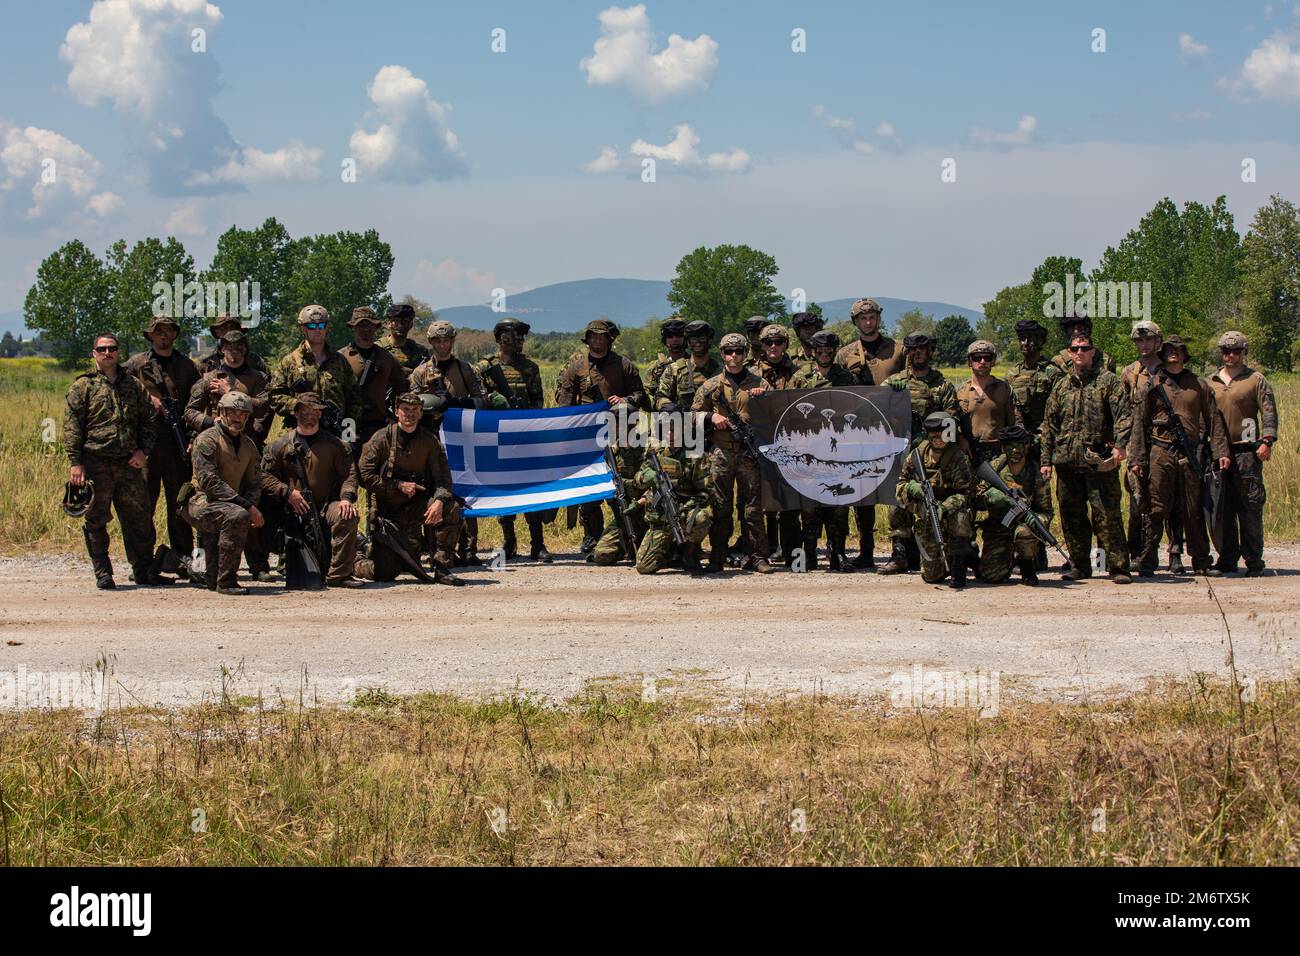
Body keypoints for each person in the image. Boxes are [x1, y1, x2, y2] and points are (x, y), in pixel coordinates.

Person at [64, 332, 162, 589]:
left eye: (112, 348)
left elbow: (149, 421)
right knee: (96, 520)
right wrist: (76, 463)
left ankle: (143, 570)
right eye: (102, 349)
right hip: (96, 463)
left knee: (140, 519)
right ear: (94, 353)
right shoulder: (82, 387)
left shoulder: (133, 384)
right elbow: (72, 427)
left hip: (128, 463)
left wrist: (144, 451)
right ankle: (103, 572)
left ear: (118, 352)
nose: (108, 353)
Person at [1128, 335, 1229, 577]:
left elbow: (1214, 419)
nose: (1174, 353)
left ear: (1185, 354)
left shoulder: (1198, 384)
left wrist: (1220, 452)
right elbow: (1140, 424)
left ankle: (1201, 561)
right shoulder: (1153, 384)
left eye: (1179, 350)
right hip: (1160, 451)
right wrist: (1137, 459)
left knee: (1192, 508)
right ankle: (1148, 560)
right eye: (1170, 350)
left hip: (1189, 453)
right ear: (1163, 354)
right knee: (1155, 508)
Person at [1040, 331, 1132, 584]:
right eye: (1075, 349)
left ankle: (1118, 567)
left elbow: (1124, 415)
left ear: (1093, 352)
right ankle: (1079, 565)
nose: (1079, 352)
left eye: (1084, 348)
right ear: (1069, 354)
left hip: (1099, 461)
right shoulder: (1061, 386)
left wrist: (1121, 445)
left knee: (1108, 515)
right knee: (1072, 516)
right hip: (1067, 462)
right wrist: (1046, 460)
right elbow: (1049, 425)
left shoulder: (1108, 382)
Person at [185, 330, 274, 580]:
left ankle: (259, 566)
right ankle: (201, 569)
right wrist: (211, 423)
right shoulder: (209, 378)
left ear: (245, 350)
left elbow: (265, 406)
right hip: (215, 447)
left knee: (250, 505)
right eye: (229, 348)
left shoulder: (257, 378)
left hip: (247, 449)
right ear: (221, 349)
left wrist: (231, 390)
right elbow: (189, 412)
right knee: (208, 514)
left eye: (239, 348)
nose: (234, 353)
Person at [410, 319, 499, 565]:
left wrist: (456, 403)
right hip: (431, 440)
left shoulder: (465, 369)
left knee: (464, 491)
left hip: (462, 440)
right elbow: (409, 406)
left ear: (452, 341)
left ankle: (469, 550)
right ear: (431, 342)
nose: (442, 344)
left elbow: (482, 401)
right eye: (437, 340)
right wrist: (432, 405)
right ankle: (436, 549)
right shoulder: (420, 372)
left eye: (446, 340)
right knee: (434, 492)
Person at [554, 318, 647, 554]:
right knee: (590, 489)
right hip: (587, 437)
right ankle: (592, 536)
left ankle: (626, 536)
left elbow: (642, 396)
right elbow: (565, 405)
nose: (597, 340)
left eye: (602, 336)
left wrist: (625, 400)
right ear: (588, 339)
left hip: (621, 437)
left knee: (622, 489)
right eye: (593, 336)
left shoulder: (623, 364)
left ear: (609, 339)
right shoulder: (576, 368)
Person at [357, 392, 464, 585]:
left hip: (417, 507)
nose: (410, 414)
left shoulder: (429, 441)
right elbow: (364, 476)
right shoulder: (381, 438)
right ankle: (356, 558)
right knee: (385, 573)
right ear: (397, 412)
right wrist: (397, 485)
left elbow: (443, 478)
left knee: (451, 508)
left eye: (415, 410)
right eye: (405, 409)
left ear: (421, 413)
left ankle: (442, 567)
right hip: (387, 514)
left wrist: (439, 500)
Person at [260, 394, 365, 588]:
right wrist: (287, 492)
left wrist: (346, 498)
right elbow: (263, 477)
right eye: (306, 411)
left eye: (316, 411)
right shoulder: (279, 446)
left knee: (347, 515)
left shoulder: (337, 445)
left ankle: (339, 575)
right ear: (296, 412)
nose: (311, 415)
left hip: (327, 505)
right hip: (294, 510)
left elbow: (349, 476)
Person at [123, 315, 199, 574]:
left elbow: (195, 405)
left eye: (168, 331)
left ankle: (183, 558)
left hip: (177, 446)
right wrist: (149, 400)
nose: (164, 336)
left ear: (174, 335)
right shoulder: (137, 364)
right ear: (151, 335)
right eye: (159, 331)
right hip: (146, 446)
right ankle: (141, 561)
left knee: (180, 503)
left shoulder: (187, 366)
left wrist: (192, 440)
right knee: (143, 504)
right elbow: (119, 391)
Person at [879, 333, 959, 574]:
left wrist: (929, 435)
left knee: (934, 501)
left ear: (931, 352)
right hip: (903, 452)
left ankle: (941, 552)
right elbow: (874, 409)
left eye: (922, 349)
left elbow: (952, 421)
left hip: (933, 455)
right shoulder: (895, 381)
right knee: (899, 502)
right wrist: (889, 394)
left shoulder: (941, 385)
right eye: (912, 349)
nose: (917, 353)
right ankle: (900, 554)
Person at [476, 317, 554, 562]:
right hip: (498, 436)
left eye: (521, 337)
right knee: (505, 489)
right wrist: (493, 400)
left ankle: (537, 544)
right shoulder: (484, 367)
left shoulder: (530, 368)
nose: (519, 341)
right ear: (501, 338)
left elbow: (538, 402)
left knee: (532, 490)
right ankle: (509, 541)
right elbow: (477, 399)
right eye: (514, 336)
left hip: (526, 436)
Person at [692, 332, 771, 573]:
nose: (733, 356)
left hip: (749, 452)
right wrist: (711, 416)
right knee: (720, 507)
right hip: (721, 452)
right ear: (722, 354)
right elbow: (691, 414)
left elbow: (775, 415)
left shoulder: (760, 383)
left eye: (738, 351)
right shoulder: (711, 385)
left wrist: (764, 399)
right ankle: (718, 557)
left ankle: (758, 557)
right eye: (728, 351)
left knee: (752, 509)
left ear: (746, 353)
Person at [836, 297, 905, 569]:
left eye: (872, 317)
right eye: (863, 318)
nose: (868, 321)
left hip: (892, 429)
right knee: (861, 490)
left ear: (879, 318)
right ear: (855, 322)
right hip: (859, 432)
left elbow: (910, 381)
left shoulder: (897, 351)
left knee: (896, 492)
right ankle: (866, 550)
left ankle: (901, 550)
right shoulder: (845, 354)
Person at [1208, 331, 1278, 576]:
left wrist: (1267, 440)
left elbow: (1268, 412)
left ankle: (1253, 560)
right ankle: (1227, 558)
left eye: (1237, 351)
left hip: (1247, 451)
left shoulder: (1256, 379)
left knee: (1249, 506)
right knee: (1222, 508)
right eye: (1227, 351)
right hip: (1219, 453)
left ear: (1244, 352)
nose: (1231, 355)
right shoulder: (1212, 381)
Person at [790, 330, 859, 571]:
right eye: (820, 351)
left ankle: (838, 553)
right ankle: (809, 553)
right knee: (809, 506)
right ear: (813, 351)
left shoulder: (846, 377)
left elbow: (857, 410)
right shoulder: (801, 377)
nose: (825, 355)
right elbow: (789, 411)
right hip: (809, 449)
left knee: (839, 504)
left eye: (829, 351)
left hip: (838, 449)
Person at [185, 391, 264, 595]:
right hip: (201, 502)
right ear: (221, 412)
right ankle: (227, 581)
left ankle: (168, 559)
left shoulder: (249, 446)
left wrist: (251, 504)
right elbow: (209, 481)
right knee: (238, 515)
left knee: (208, 577)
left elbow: (255, 482)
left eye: (243, 413)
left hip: (229, 505)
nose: (237, 417)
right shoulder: (207, 439)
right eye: (232, 412)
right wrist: (247, 507)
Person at [1120, 320, 1184, 572]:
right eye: (1139, 340)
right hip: (1138, 441)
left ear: (1158, 341)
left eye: (1148, 339)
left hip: (1165, 440)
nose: (1144, 344)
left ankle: (1175, 551)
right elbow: (1122, 408)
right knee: (1138, 498)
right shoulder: (1129, 373)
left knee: (1171, 498)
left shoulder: (1170, 370)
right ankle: (1141, 552)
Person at [894, 412, 974, 588]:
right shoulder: (917, 454)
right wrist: (913, 488)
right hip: (926, 512)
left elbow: (964, 493)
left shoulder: (957, 457)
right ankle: (946, 559)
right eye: (933, 434)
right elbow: (900, 485)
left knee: (960, 519)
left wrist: (944, 508)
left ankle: (959, 566)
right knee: (931, 576)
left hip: (950, 512)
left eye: (942, 434)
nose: (938, 439)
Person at [972, 425, 1052, 584]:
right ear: (1003, 447)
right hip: (998, 527)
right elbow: (977, 497)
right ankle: (983, 556)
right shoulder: (995, 468)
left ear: (1027, 446)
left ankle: (1028, 568)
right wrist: (996, 496)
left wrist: (1038, 521)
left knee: (1025, 532)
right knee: (991, 576)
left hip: (1023, 526)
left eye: (1019, 445)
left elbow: (1046, 511)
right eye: (1010, 446)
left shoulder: (1035, 473)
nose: (1015, 450)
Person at [630, 428, 714, 576]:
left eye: (675, 430)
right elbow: (638, 479)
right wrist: (644, 477)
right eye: (668, 431)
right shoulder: (656, 452)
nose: (671, 434)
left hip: (685, 512)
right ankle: (669, 552)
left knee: (701, 518)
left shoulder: (696, 454)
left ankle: (690, 552)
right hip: (661, 516)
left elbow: (708, 492)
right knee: (644, 567)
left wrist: (687, 507)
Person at [751, 323, 801, 564]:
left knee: (790, 499)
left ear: (786, 344)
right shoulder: (750, 373)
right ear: (761, 345)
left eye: (778, 342)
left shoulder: (798, 372)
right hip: (761, 440)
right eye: (768, 342)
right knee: (764, 498)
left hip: (792, 441)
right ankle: (768, 547)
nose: (773, 347)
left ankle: (793, 552)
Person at [268, 305, 363, 432]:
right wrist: (298, 406)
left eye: (321, 325)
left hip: (334, 433)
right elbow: (274, 396)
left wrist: (348, 432)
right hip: (299, 433)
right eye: (312, 326)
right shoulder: (289, 362)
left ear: (327, 327)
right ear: (303, 328)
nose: (317, 330)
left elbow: (355, 398)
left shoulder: (339, 361)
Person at [339, 306, 409, 452]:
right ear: (353, 327)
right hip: (348, 422)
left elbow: (402, 388)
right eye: (361, 326)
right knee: (348, 462)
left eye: (369, 326)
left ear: (376, 327)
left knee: (377, 465)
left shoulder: (387, 358)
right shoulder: (341, 358)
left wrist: (396, 417)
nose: (366, 330)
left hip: (378, 422)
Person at [957, 340, 1015, 462]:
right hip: (969, 452)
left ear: (993, 361)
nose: (982, 361)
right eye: (977, 357)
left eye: (987, 358)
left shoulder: (1004, 389)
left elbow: (1014, 422)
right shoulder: (960, 391)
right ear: (970, 361)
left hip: (999, 453)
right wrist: (960, 438)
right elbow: (953, 422)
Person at [656, 320, 719, 414]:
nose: (698, 343)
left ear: (710, 340)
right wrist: (669, 407)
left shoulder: (721, 372)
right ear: (688, 342)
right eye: (693, 339)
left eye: (702, 338)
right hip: (683, 424)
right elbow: (660, 397)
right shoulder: (675, 369)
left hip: (715, 425)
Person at [195, 314, 269, 375]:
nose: (229, 332)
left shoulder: (254, 360)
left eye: (233, 328)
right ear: (217, 332)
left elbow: (269, 387)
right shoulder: (206, 364)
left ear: (241, 331)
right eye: (224, 328)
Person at [1050, 314, 1117, 375]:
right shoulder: (1058, 362)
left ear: (1087, 330)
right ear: (1066, 332)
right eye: (1072, 329)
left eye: (1080, 328)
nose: (1076, 332)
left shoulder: (1105, 360)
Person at [379, 302, 431, 372]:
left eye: (405, 321)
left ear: (411, 325)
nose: (400, 325)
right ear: (389, 323)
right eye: (396, 321)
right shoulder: (378, 349)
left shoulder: (420, 352)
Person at [645, 317, 688, 396]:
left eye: (679, 335)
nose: (674, 339)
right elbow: (646, 394)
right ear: (664, 339)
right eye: (670, 335)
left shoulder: (694, 364)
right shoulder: (656, 367)